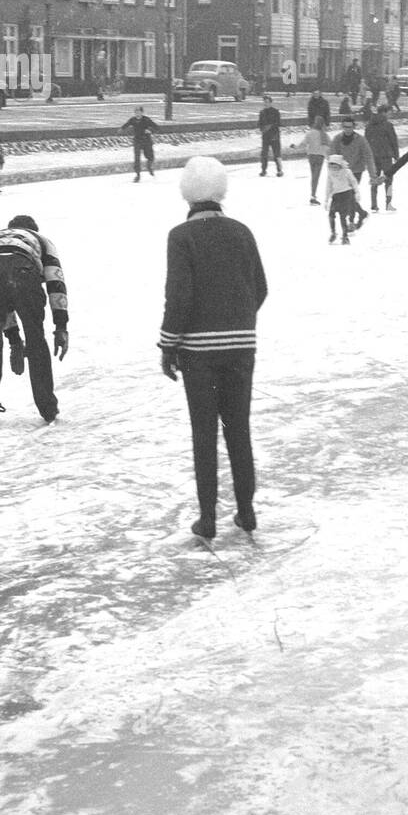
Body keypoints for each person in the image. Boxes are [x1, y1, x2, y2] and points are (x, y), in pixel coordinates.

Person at [160, 157, 268, 541]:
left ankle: (208, 519)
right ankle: (247, 511)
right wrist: (237, 322)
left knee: (204, 433)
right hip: (242, 348)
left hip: (198, 353)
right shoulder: (242, 232)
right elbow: (261, 288)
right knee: (238, 429)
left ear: (188, 196)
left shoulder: (181, 237)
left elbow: (179, 297)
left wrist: (168, 345)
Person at [0, 214, 69, 425]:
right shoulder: (41, 240)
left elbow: (3, 296)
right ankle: (47, 407)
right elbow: (56, 283)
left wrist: (13, 340)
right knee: (36, 339)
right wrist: (61, 326)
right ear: (34, 229)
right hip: (24, 272)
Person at [331, 115, 378, 226]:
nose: (348, 129)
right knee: (347, 196)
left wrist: (373, 174)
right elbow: (332, 155)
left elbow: (368, 156)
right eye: (345, 127)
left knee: (350, 195)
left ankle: (351, 221)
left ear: (354, 127)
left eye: (350, 127)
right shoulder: (337, 139)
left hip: (356, 170)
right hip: (342, 172)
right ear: (342, 127)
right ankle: (361, 213)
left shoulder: (360, 140)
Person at [364, 107, 399, 211]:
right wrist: (396, 155)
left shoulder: (369, 125)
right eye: (389, 112)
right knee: (388, 180)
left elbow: (366, 141)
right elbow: (393, 141)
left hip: (373, 156)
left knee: (374, 179)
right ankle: (388, 203)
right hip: (386, 156)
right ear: (383, 113)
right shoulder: (388, 125)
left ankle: (374, 204)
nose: (390, 114)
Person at [324, 153, 359, 243]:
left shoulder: (347, 172)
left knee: (342, 217)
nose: (334, 169)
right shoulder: (330, 174)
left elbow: (354, 182)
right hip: (336, 196)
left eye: (336, 167)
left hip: (346, 195)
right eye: (332, 167)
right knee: (331, 215)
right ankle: (333, 232)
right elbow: (328, 186)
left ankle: (345, 236)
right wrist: (326, 200)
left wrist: (357, 192)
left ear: (340, 165)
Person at [296, 116, 330, 205]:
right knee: (316, 176)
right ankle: (313, 195)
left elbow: (303, 144)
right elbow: (330, 146)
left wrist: (295, 147)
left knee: (313, 176)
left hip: (311, 156)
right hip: (320, 156)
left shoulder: (310, 133)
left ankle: (313, 194)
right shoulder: (324, 135)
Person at [122, 105, 159, 181]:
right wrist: (121, 130)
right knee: (137, 158)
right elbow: (125, 125)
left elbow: (156, 127)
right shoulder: (133, 120)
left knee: (150, 156)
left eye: (139, 112)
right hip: (137, 140)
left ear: (142, 113)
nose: (137, 114)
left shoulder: (146, 120)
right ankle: (137, 174)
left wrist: (150, 131)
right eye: (136, 112)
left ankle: (149, 166)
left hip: (146, 140)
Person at [258, 94, 283, 177]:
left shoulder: (276, 112)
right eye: (265, 102)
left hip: (274, 135)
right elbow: (259, 124)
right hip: (265, 136)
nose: (266, 104)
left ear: (271, 103)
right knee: (264, 154)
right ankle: (263, 170)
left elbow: (278, 123)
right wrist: (262, 129)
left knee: (277, 154)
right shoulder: (262, 112)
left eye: (268, 102)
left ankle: (280, 170)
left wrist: (270, 127)